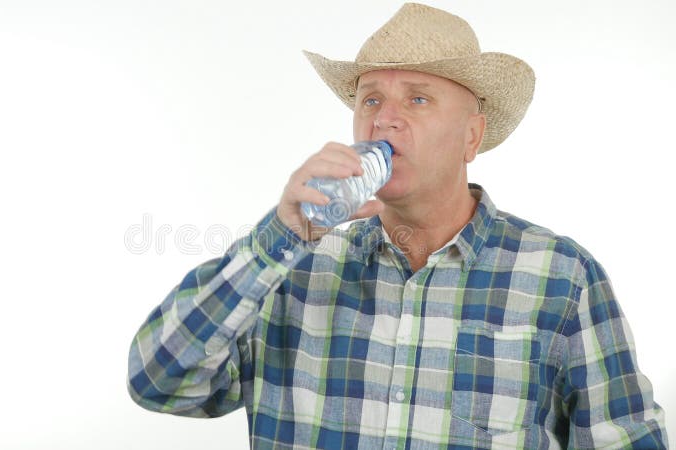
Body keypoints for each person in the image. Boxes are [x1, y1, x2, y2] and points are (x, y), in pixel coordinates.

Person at [127, 3, 668, 449]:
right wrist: (278, 238)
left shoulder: (561, 277)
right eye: (371, 99)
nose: (384, 118)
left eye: (417, 98)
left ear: (471, 137)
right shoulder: (293, 271)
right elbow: (158, 382)